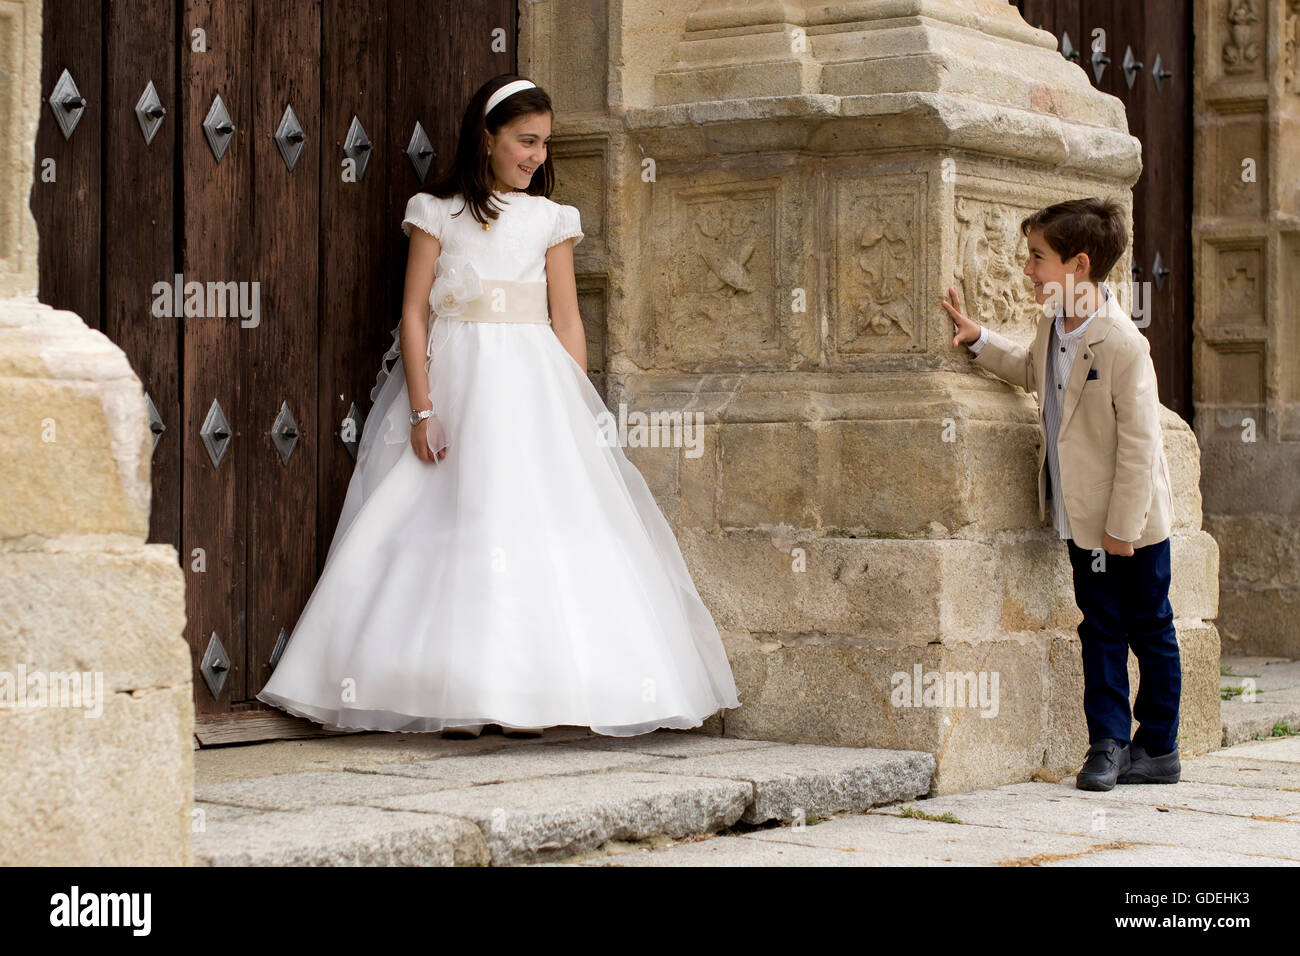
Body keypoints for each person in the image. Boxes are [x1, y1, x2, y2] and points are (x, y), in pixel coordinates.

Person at [257, 75, 741, 740]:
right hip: (458, 382)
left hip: (532, 380)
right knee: (456, 512)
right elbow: (414, 313)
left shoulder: (550, 220)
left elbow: (567, 320)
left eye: (544, 143)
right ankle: (444, 686)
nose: (537, 155)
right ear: (486, 138)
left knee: (535, 519)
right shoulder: (436, 212)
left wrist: (572, 408)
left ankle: (538, 689)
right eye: (524, 140)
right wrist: (423, 410)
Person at [942, 197, 1180, 790]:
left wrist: (1122, 528)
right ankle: (1107, 743)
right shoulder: (1054, 322)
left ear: (1078, 265)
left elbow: (1139, 447)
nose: (1028, 270)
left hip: (1131, 524)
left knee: (1150, 625)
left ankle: (1159, 746)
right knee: (1098, 625)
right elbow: (1034, 372)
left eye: (1036, 258)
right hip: (1079, 518)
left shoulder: (1124, 345)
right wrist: (979, 339)